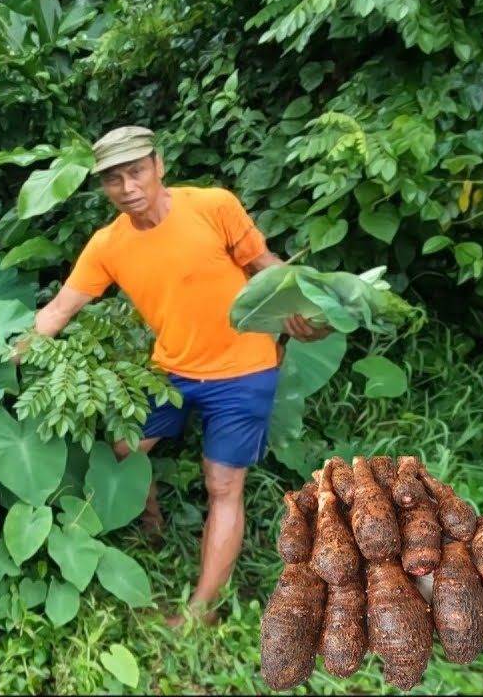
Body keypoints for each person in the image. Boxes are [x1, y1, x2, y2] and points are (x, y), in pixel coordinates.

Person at [17, 125, 328, 627]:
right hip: (171, 371)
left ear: (159, 165)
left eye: (136, 171)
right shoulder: (107, 245)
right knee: (124, 451)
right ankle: (153, 526)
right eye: (114, 179)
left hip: (243, 369)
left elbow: (265, 266)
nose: (128, 187)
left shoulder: (213, 206)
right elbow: (57, 311)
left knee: (223, 484)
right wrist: (7, 355)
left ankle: (202, 608)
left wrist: (303, 311)